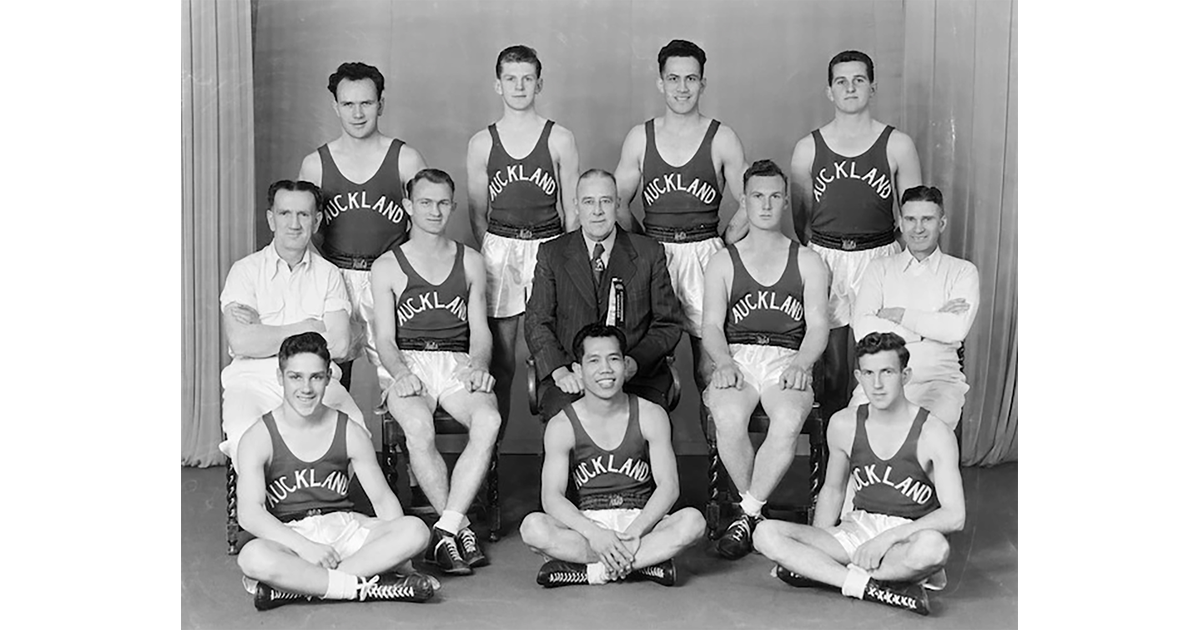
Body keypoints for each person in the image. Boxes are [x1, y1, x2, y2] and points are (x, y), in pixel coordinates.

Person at [753, 332, 965, 616]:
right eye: (868, 373)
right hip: (856, 531)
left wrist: (885, 540)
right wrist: (817, 547)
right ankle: (870, 587)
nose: (876, 384)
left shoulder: (934, 432)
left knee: (934, 548)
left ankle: (827, 575)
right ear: (858, 376)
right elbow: (833, 490)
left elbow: (955, 515)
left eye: (887, 372)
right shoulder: (844, 424)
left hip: (905, 539)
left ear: (905, 375)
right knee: (765, 533)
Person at [236, 333, 439, 610]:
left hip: (345, 530)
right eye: (296, 377)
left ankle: (304, 588)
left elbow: (381, 500)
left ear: (329, 376)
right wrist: (305, 547)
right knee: (252, 556)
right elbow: (250, 513)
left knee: (415, 531)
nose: (306, 388)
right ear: (280, 376)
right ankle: (361, 586)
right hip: (291, 536)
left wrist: (403, 561)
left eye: (316, 377)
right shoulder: (258, 437)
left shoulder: (350, 431)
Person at [370, 168, 502, 576]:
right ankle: (460, 528)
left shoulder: (471, 261)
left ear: (453, 206)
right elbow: (385, 340)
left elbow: (480, 332)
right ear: (409, 206)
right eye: (425, 202)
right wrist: (398, 373)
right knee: (419, 429)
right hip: (408, 360)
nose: (434, 210)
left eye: (443, 202)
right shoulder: (387, 266)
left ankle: (444, 531)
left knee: (489, 419)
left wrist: (479, 365)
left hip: (457, 359)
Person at [700, 160, 830, 560]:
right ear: (745, 199)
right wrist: (722, 362)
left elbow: (819, 326)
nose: (766, 204)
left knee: (789, 419)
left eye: (775, 196)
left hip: (786, 356)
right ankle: (755, 513)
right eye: (757, 195)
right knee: (728, 416)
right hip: (738, 354)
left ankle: (747, 514)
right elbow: (710, 326)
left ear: (787, 202)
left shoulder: (807, 261)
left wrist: (803, 364)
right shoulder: (724, 260)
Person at [519, 324, 706, 587]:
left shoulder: (651, 414)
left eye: (614, 359)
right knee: (533, 528)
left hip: (641, 520)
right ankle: (644, 565)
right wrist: (595, 534)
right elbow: (551, 497)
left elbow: (669, 487)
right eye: (594, 360)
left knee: (693, 522)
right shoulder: (561, 425)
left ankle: (592, 573)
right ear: (578, 370)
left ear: (626, 365)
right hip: (589, 522)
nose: (605, 369)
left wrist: (634, 534)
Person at [790, 50, 922, 414]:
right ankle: (833, 456)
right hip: (826, 256)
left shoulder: (897, 144)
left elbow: (913, 216)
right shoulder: (807, 148)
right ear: (829, 91)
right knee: (830, 367)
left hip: (878, 255)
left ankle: (879, 451)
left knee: (880, 358)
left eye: (859, 80)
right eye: (841, 81)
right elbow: (801, 219)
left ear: (872, 88)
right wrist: (821, 255)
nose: (850, 88)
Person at [613, 38, 749, 391]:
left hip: (705, 249)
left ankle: (715, 446)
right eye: (674, 79)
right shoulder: (640, 138)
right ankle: (644, 444)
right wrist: (641, 241)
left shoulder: (722, 137)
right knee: (641, 356)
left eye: (691, 78)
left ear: (703, 83)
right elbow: (616, 201)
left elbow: (753, 199)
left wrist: (728, 240)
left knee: (712, 363)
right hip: (655, 251)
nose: (682, 87)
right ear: (661, 83)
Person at [466, 44, 581, 445]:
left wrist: (567, 264)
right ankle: (490, 458)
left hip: (549, 245)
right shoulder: (483, 142)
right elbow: (478, 213)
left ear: (539, 83)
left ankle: (561, 455)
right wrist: (496, 251)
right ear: (498, 85)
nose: (519, 86)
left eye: (527, 78)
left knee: (555, 355)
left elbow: (571, 211)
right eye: (510, 79)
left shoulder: (559, 138)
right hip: (501, 248)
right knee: (501, 360)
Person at [299, 61, 428, 391]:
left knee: (401, 376)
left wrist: (400, 272)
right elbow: (301, 230)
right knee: (329, 377)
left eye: (366, 103)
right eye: (348, 104)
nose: (357, 114)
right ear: (335, 107)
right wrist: (326, 274)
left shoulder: (405, 159)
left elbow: (425, 227)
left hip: (388, 277)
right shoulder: (315, 165)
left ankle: (401, 443)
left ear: (381, 104)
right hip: (334, 277)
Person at [220, 180, 366, 469]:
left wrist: (265, 333)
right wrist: (309, 326)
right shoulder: (245, 271)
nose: (294, 224)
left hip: (316, 378)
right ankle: (261, 511)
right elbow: (242, 343)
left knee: (356, 431)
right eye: (285, 213)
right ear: (271, 219)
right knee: (245, 438)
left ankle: (323, 509)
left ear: (316, 221)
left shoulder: (329, 274)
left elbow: (338, 344)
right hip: (253, 379)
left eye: (303, 215)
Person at [525, 169, 685, 422]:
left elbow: (668, 324)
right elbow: (537, 321)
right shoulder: (552, 254)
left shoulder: (649, 253)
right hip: (572, 376)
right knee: (564, 423)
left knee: (647, 424)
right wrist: (558, 372)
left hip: (636, 377)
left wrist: (632, 362)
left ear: (617, 203)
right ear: (576, 206)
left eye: (605, 201)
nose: (597, 210)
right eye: (589, 202)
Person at [850, 185, 979, 428]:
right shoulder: (879, 268)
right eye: (910, 219)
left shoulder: (962, 271)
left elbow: (954, 330)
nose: (918, 228)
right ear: (900, 222)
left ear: (942, 223)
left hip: (938, 381)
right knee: (851, 429)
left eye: (927, 219)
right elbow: (864, 331)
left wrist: (898, 315)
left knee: (924, 438)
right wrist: (931, 323)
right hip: (880, 379)